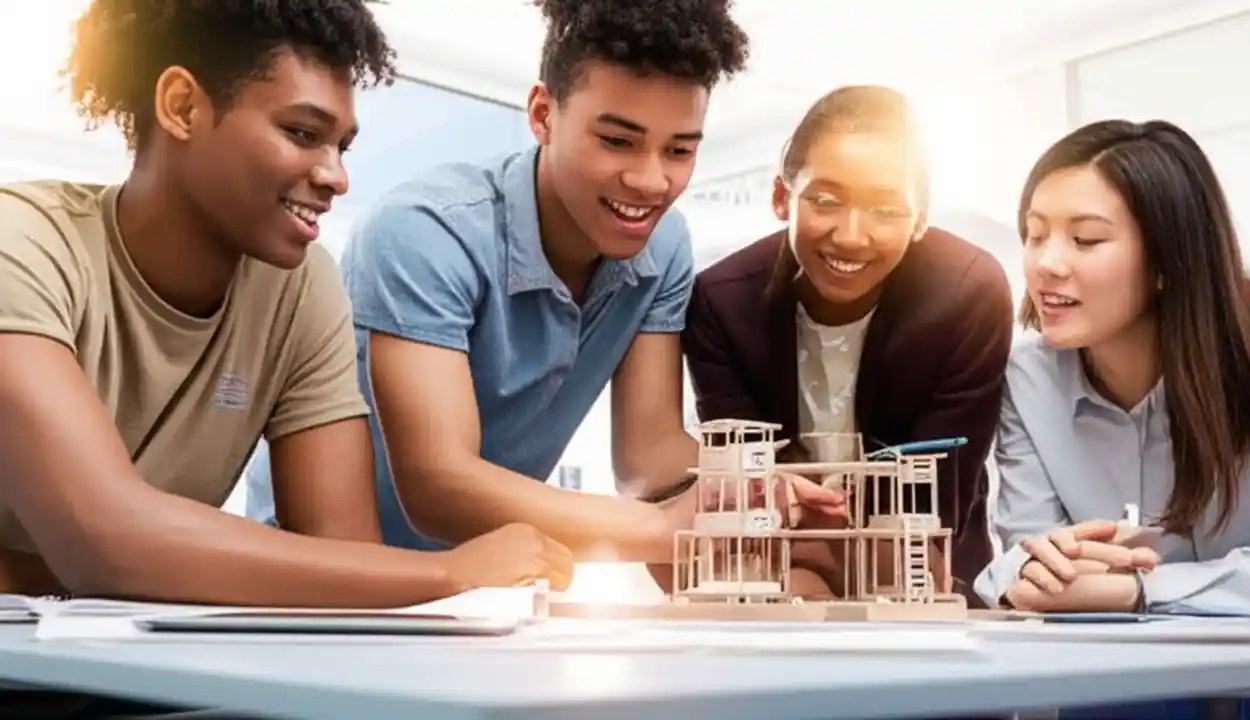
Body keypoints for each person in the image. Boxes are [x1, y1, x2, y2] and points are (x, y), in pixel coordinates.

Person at [0, 0, 572, 607]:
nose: (336, 177)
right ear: (182, 106)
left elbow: (345, 556)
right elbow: (104, 540)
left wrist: (44, 569)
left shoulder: (298, 289)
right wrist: (451, 573)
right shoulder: (23, 244)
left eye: (342, 147)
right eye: (302, 133)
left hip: (116, 669)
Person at [243, 0, 841, 564]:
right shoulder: (425, 233)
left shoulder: (666, 246)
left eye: (680, 150)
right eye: (617, 141)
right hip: (323, 579)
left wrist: (755, 486)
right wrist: (665, 531)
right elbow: (438, 487)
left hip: (491, 582)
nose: (650, 180)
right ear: (542, 114)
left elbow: (648, 459)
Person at [681, 86, 1013, 602]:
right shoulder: (721, 303)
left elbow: (938, 498)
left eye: (885, 209)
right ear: (780, 197)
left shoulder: (969, 293)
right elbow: (743, 486)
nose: (852, 236)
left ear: (921, 216)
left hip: (925, 576)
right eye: (826, 201)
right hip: (777, 567)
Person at [975, 119, 1250, 616]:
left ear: (1167, 259)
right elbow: (1027, 554)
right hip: (1113, 680)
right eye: (1034, 234)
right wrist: (1033, 571)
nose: (1046, 263)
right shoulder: (1028, 379)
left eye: (1087, 240)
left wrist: (1140, 589)